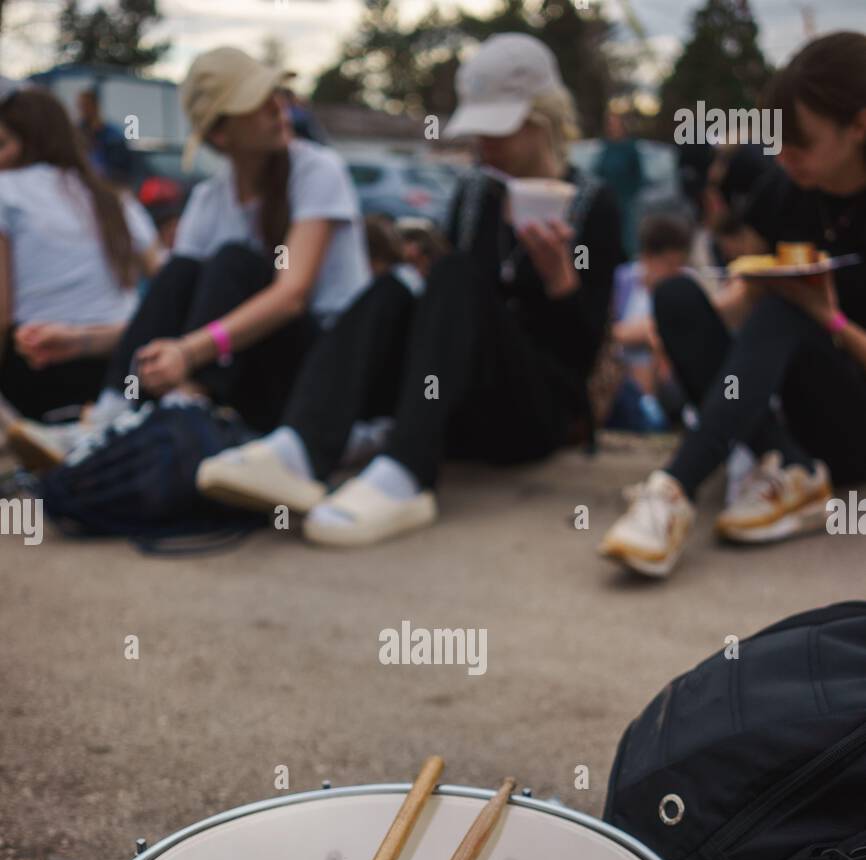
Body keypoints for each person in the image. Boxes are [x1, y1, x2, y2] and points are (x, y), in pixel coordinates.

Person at [194, 33, 623, 547]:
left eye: (499, 131)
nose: (484, 145)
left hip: (532, 418)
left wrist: (560, 282)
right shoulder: (473, 195)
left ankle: (407, 473)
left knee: (456, 273)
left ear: (541, 122)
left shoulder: (594, 206)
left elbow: (578, 358)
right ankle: (299, 449)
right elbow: (457, 312)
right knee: (394, 289)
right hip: (459, 405)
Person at [12, 47, 371, 468]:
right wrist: (82, 341)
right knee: (180, 270)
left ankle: (193, 406)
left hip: (325, 364)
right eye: (259, 102)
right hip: (250, 367)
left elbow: (292, 295)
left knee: (233, 261)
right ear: (221, 133)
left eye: (278, 95)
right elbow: (169, 310)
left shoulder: (316, 170)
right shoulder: (209, 199)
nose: (279, 108)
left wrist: (189, 354)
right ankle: (112, 409)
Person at [599, 31, 866, 579]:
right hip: (795, 408)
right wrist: (675, 325)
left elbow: (787, 311)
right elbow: (747, 299)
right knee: (677, 295)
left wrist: (826, 315)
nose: (786, 158)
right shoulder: (789, 189)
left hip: (855, 422)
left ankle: (674, 489)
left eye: (804, 143)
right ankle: (789, 466)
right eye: (779, 143)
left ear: (860, 125)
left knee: (785, 306)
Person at [0, 84, 160, 424]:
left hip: (39, 367)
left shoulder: (6, 191)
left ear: (30, 142)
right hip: (123, 372)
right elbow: (165, 282)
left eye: (1, 144)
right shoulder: (114, 199)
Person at [607, 213, 693, 430]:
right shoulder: (622, 281)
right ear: (646, 257)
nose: (673, 272)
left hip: (669, 378)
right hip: (620, 374)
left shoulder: (686, 284)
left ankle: (648, 410)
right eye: (668, 264)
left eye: (679, 265)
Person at [594, 109, 644, 258]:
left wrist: (630, 195)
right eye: (610, 124)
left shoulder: (630, 148)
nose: (612, 127)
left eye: (615, 123)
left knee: (627, 239)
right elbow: (599, 172)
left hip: (625, 202)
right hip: (607, 202)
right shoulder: (606, 146)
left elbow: (638, 176)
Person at [77, 87, 135, 187]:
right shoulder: (78, 131)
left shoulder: (113, 135)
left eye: (85, 105)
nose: (82, 110)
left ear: (95, 106)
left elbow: (120, 169)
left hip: (106, 186)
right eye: (80, 106)